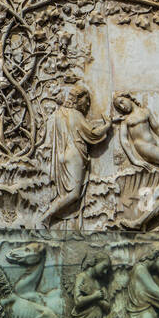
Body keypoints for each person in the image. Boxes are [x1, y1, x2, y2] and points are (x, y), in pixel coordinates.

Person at [43, 86, 111, 225]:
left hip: (63, 154)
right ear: (78, 99)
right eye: (86, 100)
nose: (87, 105)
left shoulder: (60, 114)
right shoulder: (75, 114)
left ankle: (50, 216)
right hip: (75, 153)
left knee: (71, 193)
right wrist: (107, 125)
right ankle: (46, 216)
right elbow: (92, 134)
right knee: (74, 194)